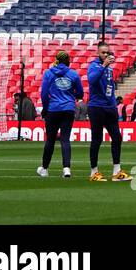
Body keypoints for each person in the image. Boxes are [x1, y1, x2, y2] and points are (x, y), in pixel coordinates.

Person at [86, 43, 129, 183]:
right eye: (103, 52)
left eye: (108, 52)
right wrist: (104, 65)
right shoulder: (94, 66)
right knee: (97, 139)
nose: (106, 55)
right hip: (96, 107)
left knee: (117, 137)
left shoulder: (110, 69)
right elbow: (91, 80)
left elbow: (109, 87)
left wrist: (113, 104)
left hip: (109, 107)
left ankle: (117, 171)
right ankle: (94, 172)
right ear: (98, 53)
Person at [37, 50, 83, 178]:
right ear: (68, 61)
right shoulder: (73, 74)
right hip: (68, 109)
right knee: (65, 139)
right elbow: (80, 93)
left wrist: (45, 108)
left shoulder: (48, 73)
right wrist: (71, 96)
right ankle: (66, 168)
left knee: (50, 140)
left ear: (56, 60)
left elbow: (44, 94)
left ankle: (45, 169)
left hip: (53, 109)